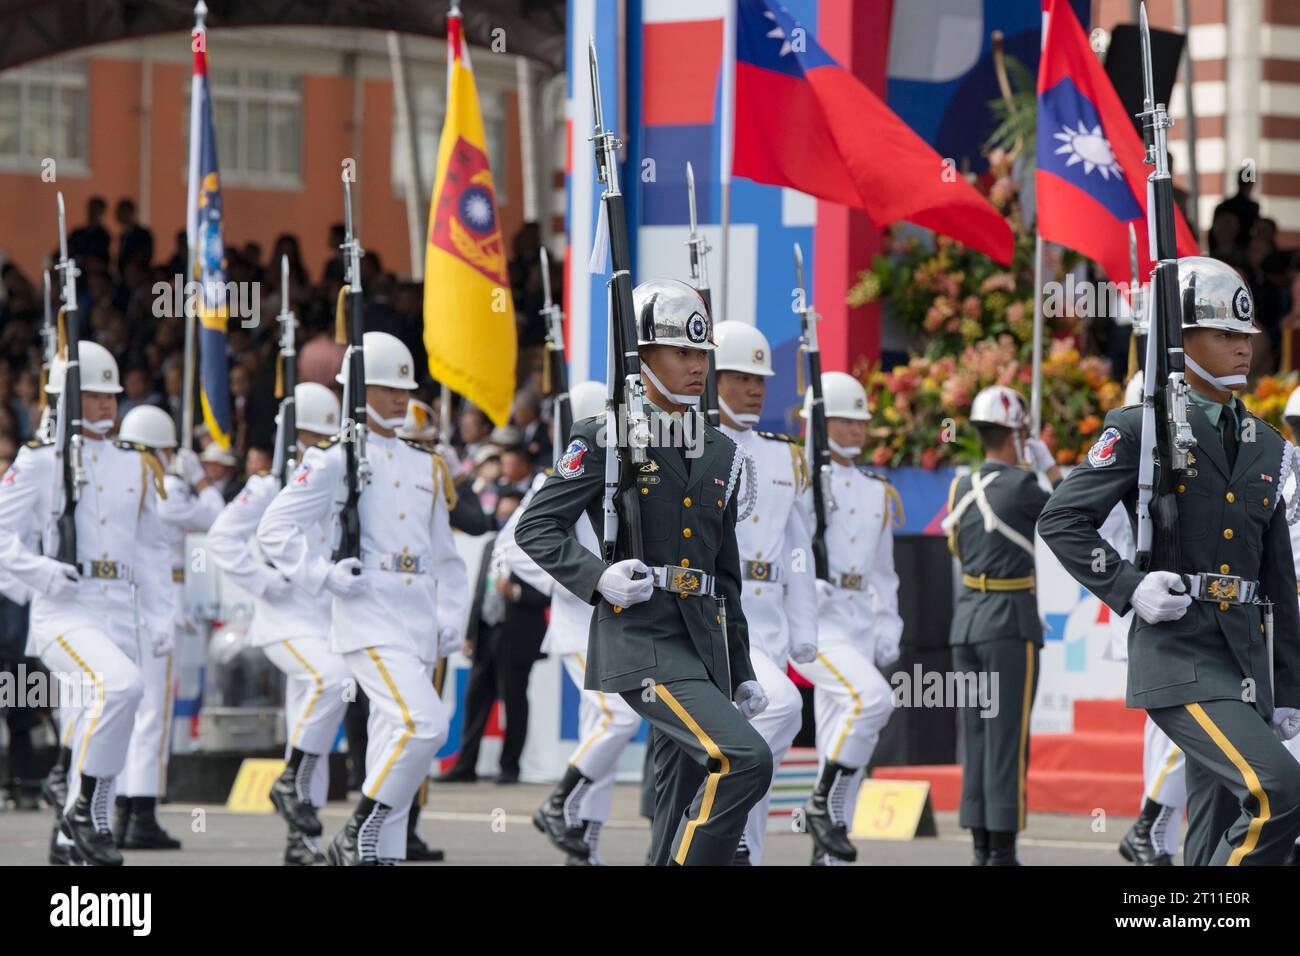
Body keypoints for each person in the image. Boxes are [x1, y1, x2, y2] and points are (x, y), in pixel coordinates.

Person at [1039, 257, 1300, 866]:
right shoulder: (1141, 429)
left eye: (1246, 338)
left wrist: (1289, 684)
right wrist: (1129, 586)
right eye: (1225, 336)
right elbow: (1061, 520)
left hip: (1243, 658)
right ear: (1181, 340)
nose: (1242, 350)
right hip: (1179, 654)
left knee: (1216, 828)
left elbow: (1277, 581)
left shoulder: (1266, 444)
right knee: (1279, 792)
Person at [515, 278, 773, 866]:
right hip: (644, 641)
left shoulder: (720, 450)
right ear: (641, 353)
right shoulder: (605, 434)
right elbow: (536, 527)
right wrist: (596, 577)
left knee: (677, 796)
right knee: (744, 759)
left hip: (702, 647)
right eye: (681, 352)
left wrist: (742, 667)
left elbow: (723, 576)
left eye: (702, 355)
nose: (697, 367)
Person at [258, 332, 468, 865]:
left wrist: (450, 614)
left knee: (393, 742)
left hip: (417, 620)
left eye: (405, 388)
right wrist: (322, 576)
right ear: (358, 388)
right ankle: (358, 833)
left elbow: (447, 558)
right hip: (367, 614)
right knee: (425, 726)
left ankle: (379, 856)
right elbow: (275, 529)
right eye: (386, 388)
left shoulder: (427, 465)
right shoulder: (333, 459)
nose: (401, 398)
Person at [0, 342, 172, 865]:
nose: (105, 406)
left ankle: (72, 841)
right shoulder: (39, 461)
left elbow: (150, 549)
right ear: (65, 399)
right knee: (122, 687)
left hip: (117, 606)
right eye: (93, 397)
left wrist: (161, 613)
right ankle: (85, 812)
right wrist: (43, 572)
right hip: (66, 609)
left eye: (109, 397)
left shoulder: (136, 465)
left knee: (93, 719)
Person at [207, 382, 349, 865]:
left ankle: (301, 838)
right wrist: (266, 581)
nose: (319, 445)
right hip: (285, 621)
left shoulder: (338, 479)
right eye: (311, 435)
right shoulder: (269, 486)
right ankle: (290, 786)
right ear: (292, 434)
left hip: (326, 620)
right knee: (330, 682)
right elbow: (222, 539)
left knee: (312, 729)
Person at [941, 384, 1062, 865]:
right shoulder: (1024, 486)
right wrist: (1047, 464)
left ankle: (980, 848)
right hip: (1009, 622)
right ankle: (1004, 851)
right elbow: (1076, 510)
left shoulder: (958, 487)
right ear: (1017, 435)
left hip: (966, 622)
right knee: (1007, 738)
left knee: (975, 737)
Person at [709, 320, 816, 865]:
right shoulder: (700, 447)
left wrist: (806, 630)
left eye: (760, 380)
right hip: (717, 621)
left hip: (768, 623)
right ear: (713, 378)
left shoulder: (785, 456)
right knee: (783, 707)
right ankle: (723, 826)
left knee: (760, 753)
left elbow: (799, 554)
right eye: (740, 377)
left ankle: (743, 850)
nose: (754, 389)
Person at [794, 371, 904, 866]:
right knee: (871, 700)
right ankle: (820, 804)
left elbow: (884, 571)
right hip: (819, 621)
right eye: (846, 421)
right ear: (821, 422)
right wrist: (801, 582)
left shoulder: (876, 490)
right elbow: (781, 547)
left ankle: (829, 852)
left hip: (859, 621)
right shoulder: (799, 479)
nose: (859, 430)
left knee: (844, 739)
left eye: (862, 422)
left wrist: (888, 622)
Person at [112, 405, 222, 849]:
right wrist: (199, 480)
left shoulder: (120, 481)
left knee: (125, 710)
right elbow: (216, 516)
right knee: (152, 711)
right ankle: (142, 812)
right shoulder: (168, 489)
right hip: (160, 599)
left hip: (122, 600)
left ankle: (120, 808)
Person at [441, 490, 549, 785]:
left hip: (517, 632)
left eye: (510, 515)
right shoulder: (491, 544)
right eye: (501, 514)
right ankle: (465, 765)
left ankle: (509, 766)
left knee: (513, 700)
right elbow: (479, 591)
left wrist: (514, 592)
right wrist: (470, 632)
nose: (505, 520)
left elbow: (547, 592)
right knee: (475, 699)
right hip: (486, 631)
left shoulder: (536, 546)